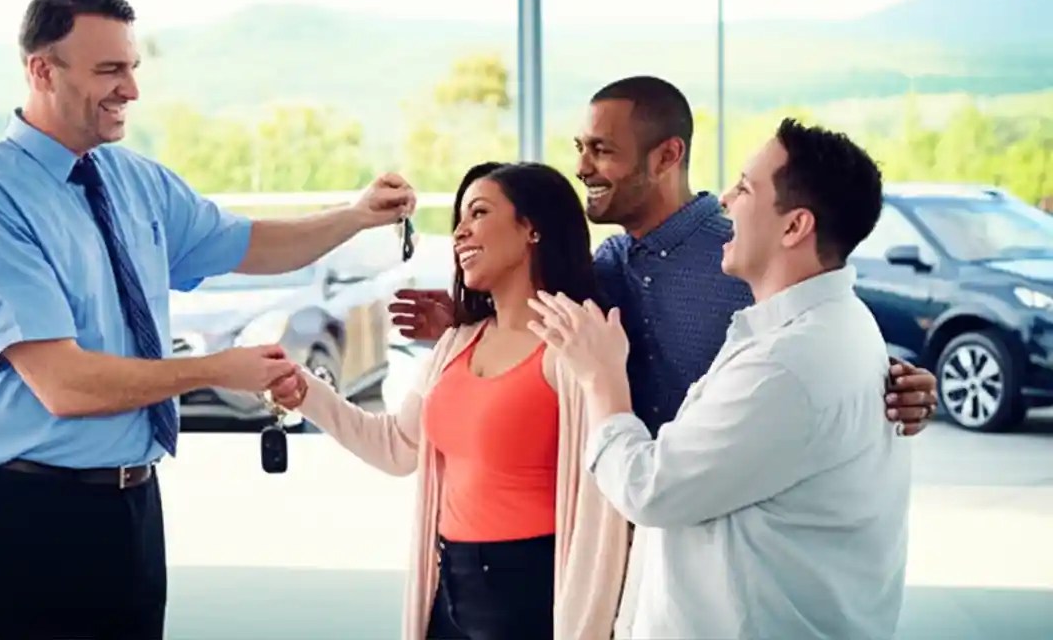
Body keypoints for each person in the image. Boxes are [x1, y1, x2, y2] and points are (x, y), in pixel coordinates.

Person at [0, 0, 415, 640]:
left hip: (129, 508)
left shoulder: (134, 181)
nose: (130, 88)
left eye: (131, 68)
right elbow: (63, 384)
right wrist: (215, 369)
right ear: (41, 70)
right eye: (109, 70)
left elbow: (253, 244)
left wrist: (355, 217)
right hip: (26, 516)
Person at [390, 76, 938, 438]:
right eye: (580, 149)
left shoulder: (746, 260)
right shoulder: (600, 265)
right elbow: (538, 344)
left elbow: (829, 346)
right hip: (612, 531)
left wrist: (899, 384)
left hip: (711, 537)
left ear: (667, 156)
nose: (582, 169)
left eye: (602, 151)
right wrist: (464, 324)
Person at [531, 118, 912, 639]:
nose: (726, 199)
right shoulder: (831, 326)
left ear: (794, 226)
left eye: (745, 187)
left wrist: (602, 381)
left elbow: (650, 489)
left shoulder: (785, 366)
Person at [270, 162, 630, 640]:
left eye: (478, 213)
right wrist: (304, 391)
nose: (459, 232)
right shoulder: (458, 342)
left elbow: (610, 495)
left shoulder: (576, 344)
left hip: (531, 591)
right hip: (451, 586)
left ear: (532, 229)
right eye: (459, 218)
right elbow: (398, 446)